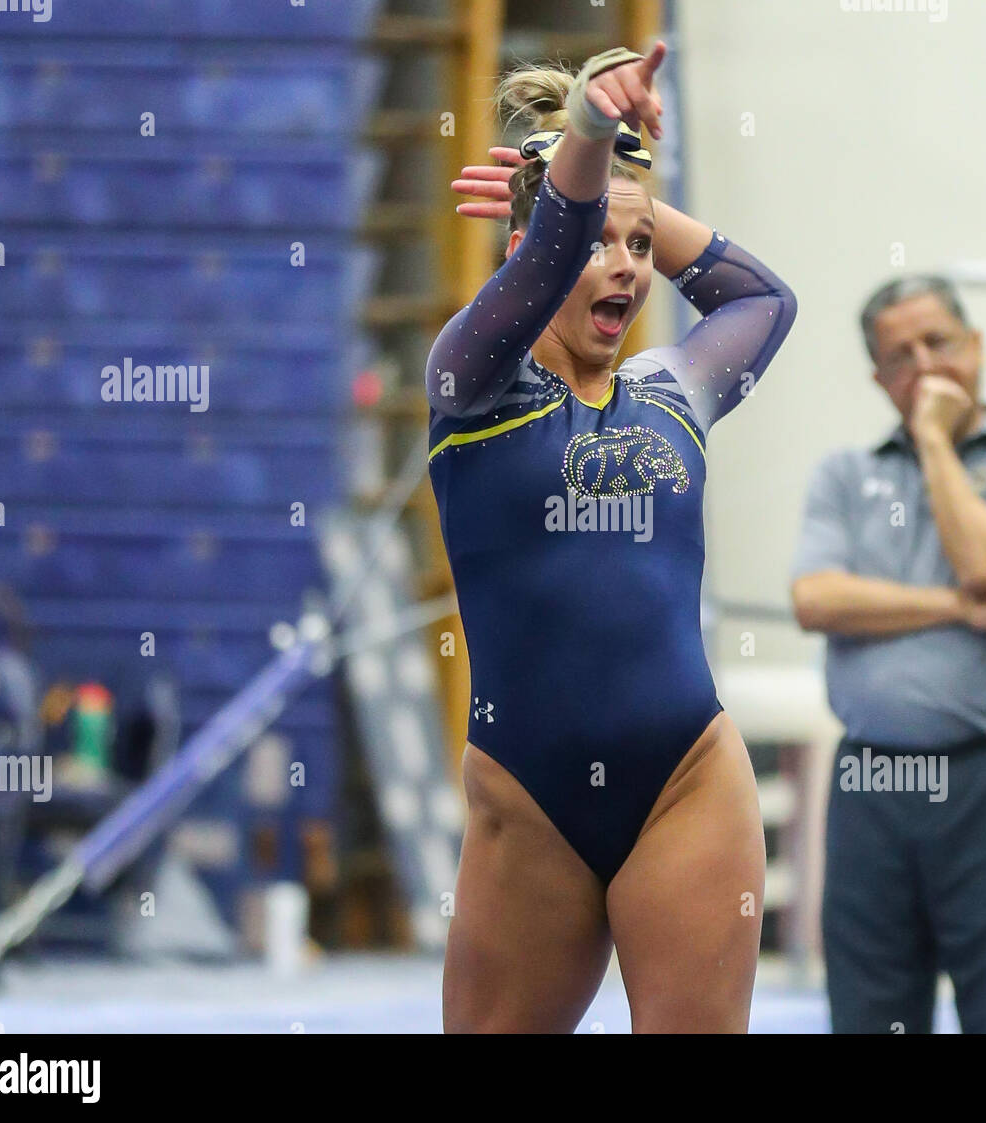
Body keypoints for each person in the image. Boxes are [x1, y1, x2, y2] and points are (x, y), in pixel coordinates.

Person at [427, 43, 797, 1032]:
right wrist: (585, 138)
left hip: (683, 776)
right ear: (521, 252)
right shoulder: (471, 384)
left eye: (643, 251)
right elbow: (553, 249)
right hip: (528, 798)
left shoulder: (672, 391)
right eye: (603, 243)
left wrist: (626, 189)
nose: (627, 269)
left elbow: (764, 300)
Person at [791, 275, 986, 1033]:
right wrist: (960, 608)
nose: (923, 365)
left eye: (939, 343)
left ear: (976, 346)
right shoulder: (843, 475)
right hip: (872, 782)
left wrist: (931, 438)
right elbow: (817, 599)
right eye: (901, 355)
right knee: (867, 1011)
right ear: (879, 378)